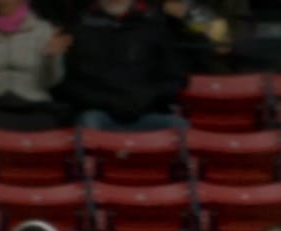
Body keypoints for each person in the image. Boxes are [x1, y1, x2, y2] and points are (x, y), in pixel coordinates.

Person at [52, 0, 186, 132]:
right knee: (89, 122)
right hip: (97, 113)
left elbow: (176, 79)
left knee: (178, 125)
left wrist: (145, 96)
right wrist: (107, 101)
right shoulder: (76, 28)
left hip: (147, 111)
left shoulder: (154, 27)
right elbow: (64, 83)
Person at [0, 0, 67, 131]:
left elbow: (51, 81)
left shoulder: (43, 30)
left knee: (45, 124)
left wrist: (52, 59)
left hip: (34, 105)